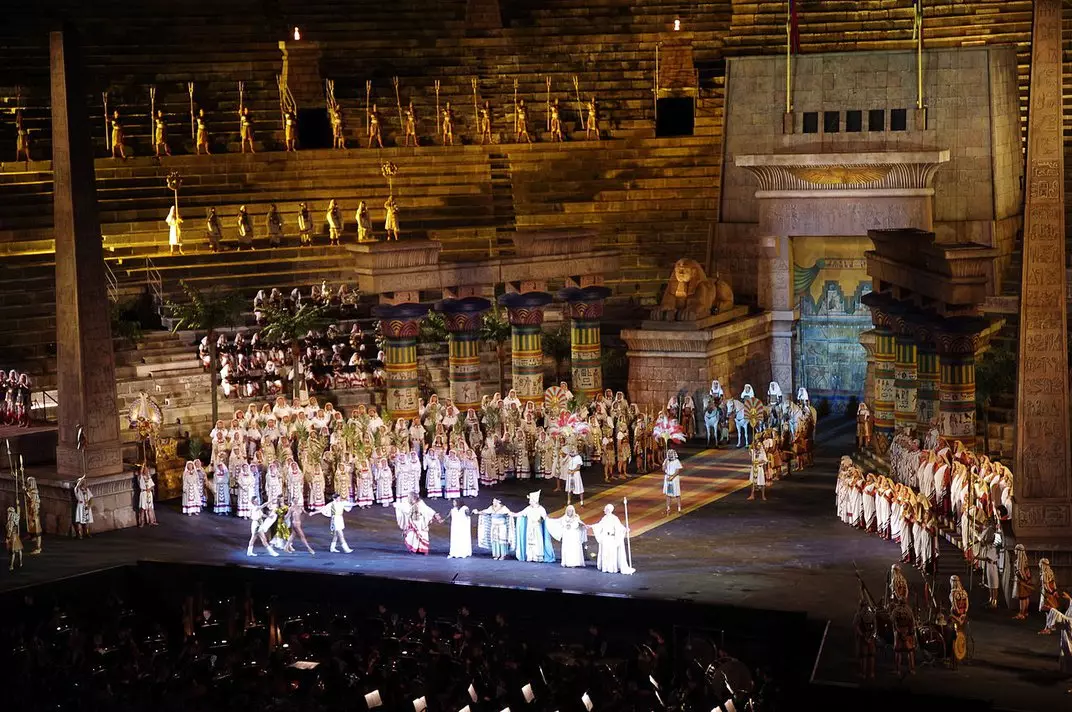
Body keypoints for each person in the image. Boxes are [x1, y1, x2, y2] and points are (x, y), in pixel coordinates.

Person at [592, 503, 634, 574]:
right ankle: (605, 567)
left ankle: (612, 568)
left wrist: (624, 529)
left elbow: (619, 527)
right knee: (605, 553)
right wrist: (591, 526)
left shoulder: (614, 518)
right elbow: (599, 525)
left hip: (612, 538)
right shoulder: (604, 518)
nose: (604, 510)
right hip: (605, 538)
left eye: (606, 509)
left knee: (611, 553)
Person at [515, 491, 554, 563]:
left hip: (537, 528)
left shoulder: (541, 509)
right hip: (530, 528)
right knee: (530, 541)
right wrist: (512, 514)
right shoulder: (528, 508)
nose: (530, 502)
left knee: (537, 541)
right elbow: (521, 513)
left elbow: (545, 518)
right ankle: (530, 556)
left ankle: (537, 556)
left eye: (531, 500)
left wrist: (546, 521)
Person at [852, 588, 876, 679]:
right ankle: (872, 673)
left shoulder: (859, 615)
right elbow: (875, 627)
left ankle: (863, 673)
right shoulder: (872, 614)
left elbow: (856, 626)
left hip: (864, 637)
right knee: (871, 656)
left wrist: (863, 636)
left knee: (864, 656)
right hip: (871, 638)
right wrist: (872, 637)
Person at [890, 598, 916, 676]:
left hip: (899, 632)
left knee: (898, 652)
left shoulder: (895, 610)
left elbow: (892, 620)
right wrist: (910, 632)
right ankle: (912, 669)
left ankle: (898, 670)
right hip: (907, 631)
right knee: (910, 651)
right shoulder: (909, 610)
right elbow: (912, 622)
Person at [1012, 544, 1035, 620]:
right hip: (1026, 580)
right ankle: (1025, 612)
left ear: (1018, 551)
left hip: (1021, 581)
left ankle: (1021, 614)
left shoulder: (1019, 560)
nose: (1014, 551)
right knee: (1026, 597)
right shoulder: (1024, 559)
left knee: (1022, 597)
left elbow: (1021, 571)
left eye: (1016, 549)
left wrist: (1024, 579)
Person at [25, 476, 42, 554]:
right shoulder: (31, 491)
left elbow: (33, 501)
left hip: (34, 512)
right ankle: (32, 536)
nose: (27, 483)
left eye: (28, 482)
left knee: (37, 530)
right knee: (32, 527)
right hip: (31, 511)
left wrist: (26, 492)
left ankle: (38, 548)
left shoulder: (34, 492)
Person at [663, 448, 682, 515]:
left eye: (671, 454)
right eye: (669, 454)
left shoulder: (677, 461)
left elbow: (677, 471)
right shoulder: (666, 461)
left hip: (674, 479)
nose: (670, 455)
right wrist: (665, 462)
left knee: (677, 493)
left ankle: (679, 508)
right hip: (667, 477)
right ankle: (668, 508)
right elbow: (663, 469)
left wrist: (672, 477)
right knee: (668, 494)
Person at [6, 506, 22, 572]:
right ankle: (20, 563)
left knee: (12, 552)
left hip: (12, 536)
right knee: (19, 550)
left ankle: (11, 565)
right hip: (16, 535)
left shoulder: (11, 521)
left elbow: (10, 530)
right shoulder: (16, 517)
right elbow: (19, 512)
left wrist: (7, 538)